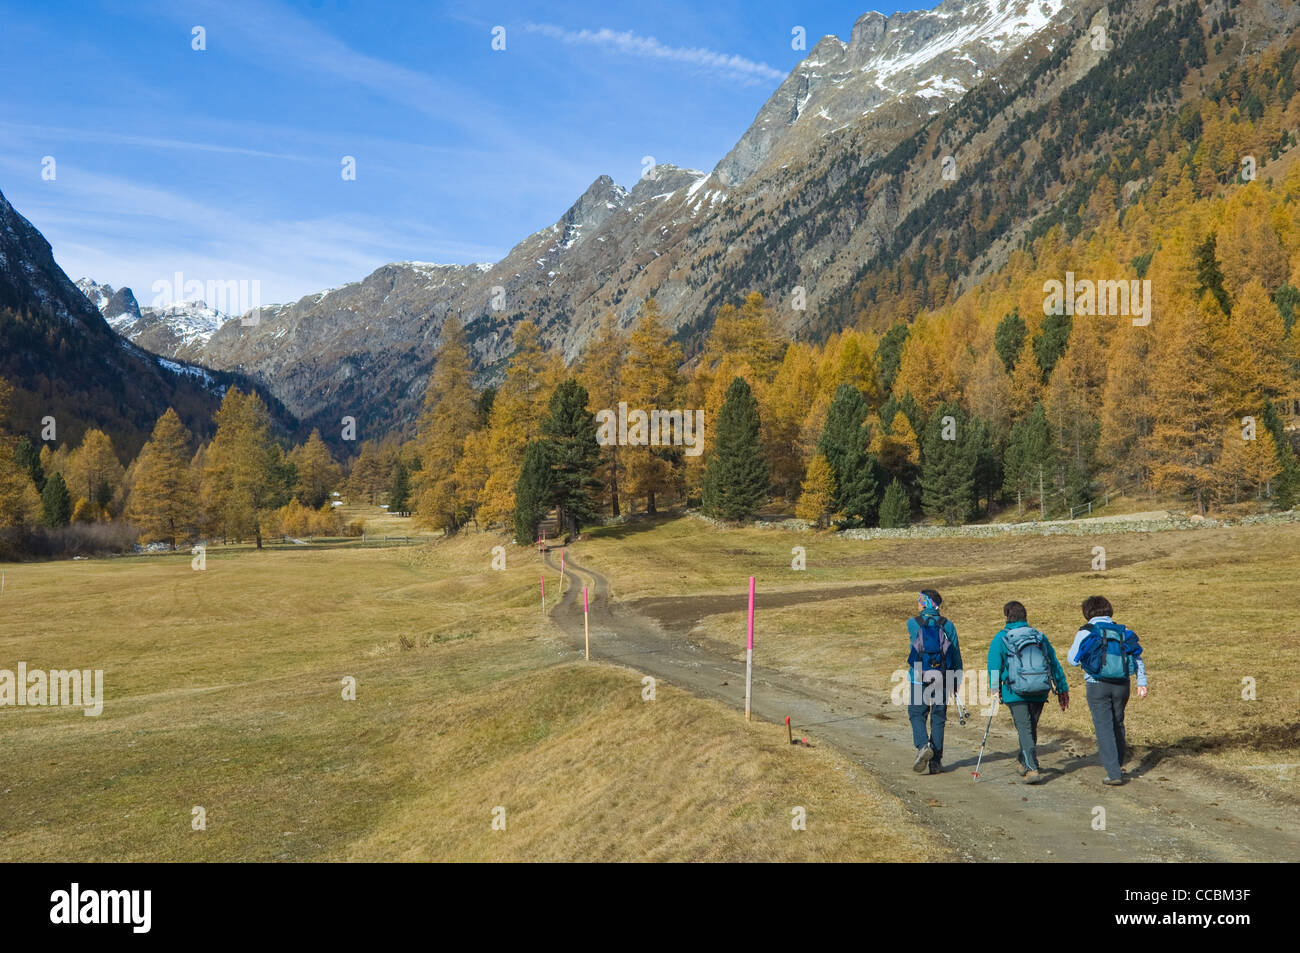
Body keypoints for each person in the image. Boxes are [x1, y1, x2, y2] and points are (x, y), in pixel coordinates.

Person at [1066, 595, 1148, 785]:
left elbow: (1072, 660)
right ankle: (1117, 764)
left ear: (1087, 613)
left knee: (1104, 727)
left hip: (1096, 685)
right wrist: (1141, 682)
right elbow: (1138, 658)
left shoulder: (1086, 631)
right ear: (1109, 610)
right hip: (1122, 684)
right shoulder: (1124, 631)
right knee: (1118, 723)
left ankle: (1113, 773)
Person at [987, 601, 1069, 784]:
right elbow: (1053, 662)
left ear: (1007, 616)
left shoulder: (1001, 638)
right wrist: (1062, 688)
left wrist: (994, 690)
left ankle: (1032, 768)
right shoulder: (1039, 637)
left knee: (1025, 728)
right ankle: (1025, 760)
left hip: (1014, 690)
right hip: (1040, 689)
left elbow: (994, 666)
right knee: (1030, 727)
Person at [906, 589, 963, 774]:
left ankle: (923, 746)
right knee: (938, 718)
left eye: (919, 601)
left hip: (918, 677)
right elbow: (955, 654)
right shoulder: (949, 625)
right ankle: (936, 762)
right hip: (943, 677)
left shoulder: (913, 623)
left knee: (916, 713)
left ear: (924, 603)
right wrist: (956, 680)